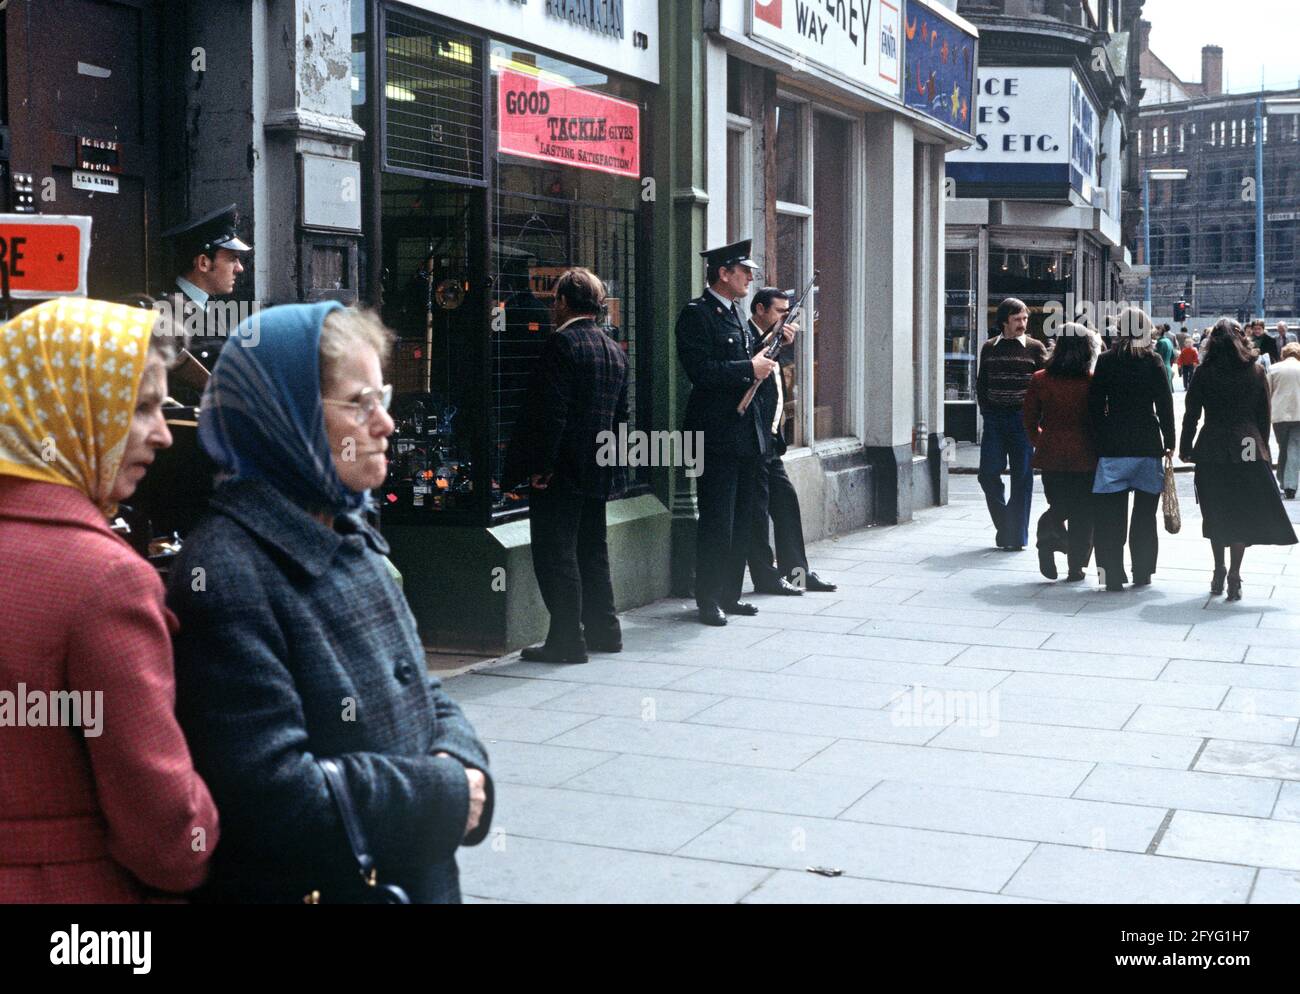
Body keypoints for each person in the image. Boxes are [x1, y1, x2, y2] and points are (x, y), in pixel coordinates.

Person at [168, 303, 493, 903]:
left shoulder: (348, 529)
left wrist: (464, 765)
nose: (386, 423)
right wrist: (446, 793)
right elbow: (274, 797)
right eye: (359, 402)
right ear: (283, 417)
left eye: (384, 396)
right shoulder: (226, 572)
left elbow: (420, 686)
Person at [0, 298, 219, 902]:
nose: (160, 433)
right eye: (141, 406)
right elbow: (166, 832)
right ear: (70, 407)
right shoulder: (102, 580)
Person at [502, 268, 629, 663]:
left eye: (554, 299)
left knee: (556, 553)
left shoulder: (561, 344)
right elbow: (622, 416)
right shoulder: (613, 348)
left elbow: (551, 414)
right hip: (598, 466)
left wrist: (541, 466)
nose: (552, 306)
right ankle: (605, 630)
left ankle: (566, 640)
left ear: (561, 303)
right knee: (592, 548)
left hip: (561, 469)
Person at [676, 239, 776, 626]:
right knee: (717, 518)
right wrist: (749, 369)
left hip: (747, 432)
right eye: (743, 270)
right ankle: (709, 597)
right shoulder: (697, 316)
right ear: (723, 273)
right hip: (716, 432)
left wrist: (770, 347)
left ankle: (730, 594)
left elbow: (750, 363)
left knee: (744, 517)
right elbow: (701, 373)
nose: (750, 276)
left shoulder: (735, 314)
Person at [1180, 319, 1297, 600]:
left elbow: (1192, 414)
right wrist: (1262, 449)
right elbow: (1263, 416)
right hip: (1247, 444)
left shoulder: (1203, 373)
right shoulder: (1256, 372)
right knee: (1240, 510)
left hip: (1212, 446)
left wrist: (1185, 447)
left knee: (1215, 509)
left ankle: (1218, 568)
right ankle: (1235, 572)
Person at [744, 287, 837, 595]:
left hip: (770, 441)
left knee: (785, 505)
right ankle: (766, 576)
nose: (784, 318)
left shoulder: (771, 341)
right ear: (759, 310)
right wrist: (773, 341)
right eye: (779, 312)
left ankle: (797, 573)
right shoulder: (748, 336)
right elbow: (750, 366)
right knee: (756, 515)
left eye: (787, 312)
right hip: (751, 440)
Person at [1088, 306, 1175, 591]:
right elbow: (1164, 405)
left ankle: (1109, 575)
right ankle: (1143, 572)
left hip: (1113, 446)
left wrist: (1099, 438)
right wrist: (1170, 442)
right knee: (1144, 516)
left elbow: (1095, 406)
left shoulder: (1106, 360)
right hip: (1147, 445)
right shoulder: (1154, 361)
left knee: (1109, 517)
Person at [1023, 324, 1097, 581]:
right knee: (1084, 511)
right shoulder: (1091, 382)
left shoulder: (1040, 379)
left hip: (1051, 453)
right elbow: (1101, 418)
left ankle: (1048, 534)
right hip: (1085, 454)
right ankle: (1076, 566)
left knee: (1059, 504)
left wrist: (1040, 440)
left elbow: (1029, 419)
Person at [976, 297, 1048, 551]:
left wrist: (1037, 419)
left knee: (1022, 478)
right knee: (987, 474)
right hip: (995, 419)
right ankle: (1007, 525)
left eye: (1025, 319)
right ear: (1004, 321)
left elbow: (1044, 386)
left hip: (1023, 421)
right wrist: (986, 411)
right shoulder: (989, 347)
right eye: (1017, 319)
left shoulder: (1035, 347)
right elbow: (981, 383)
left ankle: (1016, 536)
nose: (1022, 323)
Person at [158, 203, 252, 380]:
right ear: (203, 263)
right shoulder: (166, 313)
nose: (240, 268)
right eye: (233, 259)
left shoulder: (215, 306)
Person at [1268, 341, 1300, 499]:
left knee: (1283, 446)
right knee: (1294, 447)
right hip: (1299, 415)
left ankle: (1282, 479)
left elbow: (1267, 392)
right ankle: (1290, 485)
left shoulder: (1274, 369)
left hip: (1279, 414)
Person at [1155, 324, 1176, 391]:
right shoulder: (1168, 340)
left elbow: (1157, 358)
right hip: (1168, 367)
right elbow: (1173, 355)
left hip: (1161, 369)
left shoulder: (1160, 342)